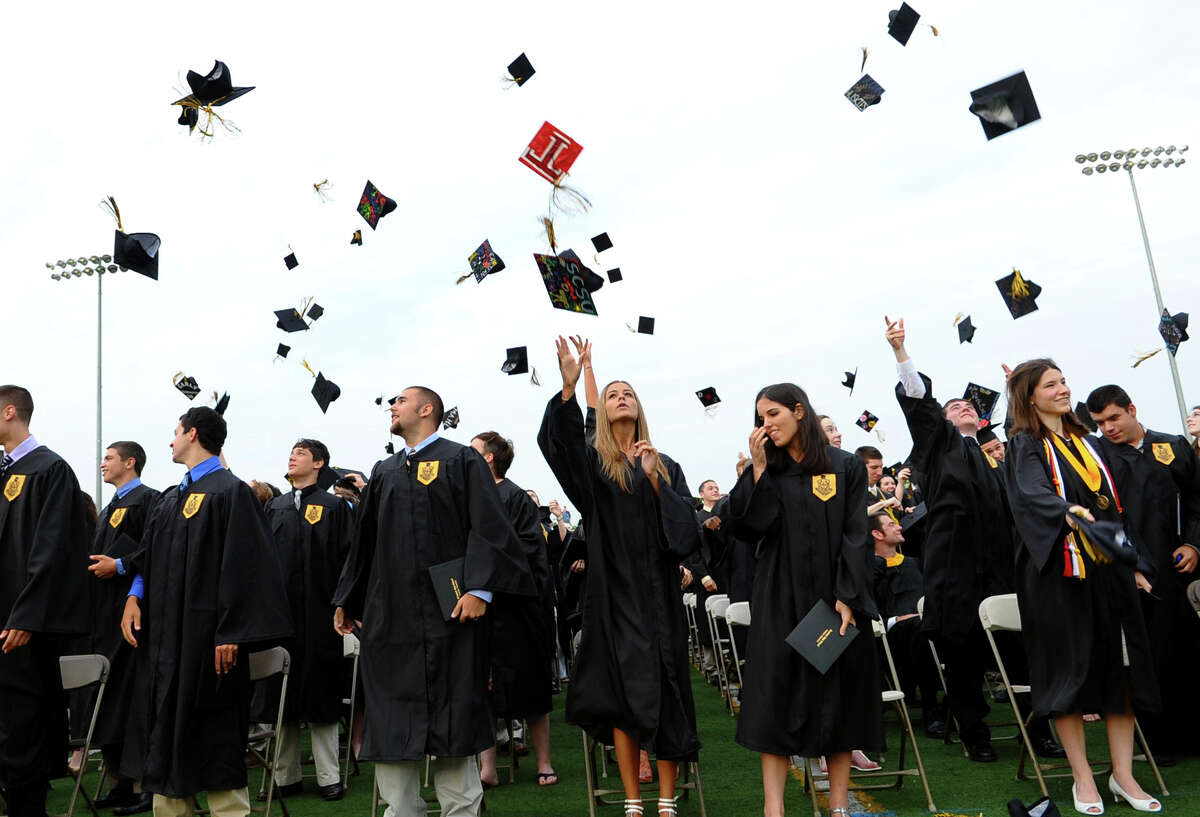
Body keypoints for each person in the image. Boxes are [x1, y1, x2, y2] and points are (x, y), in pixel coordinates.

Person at [333, 387, 535, 817]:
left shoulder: (461, 460)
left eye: (401, 401)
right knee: (392, 724)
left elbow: (490, 525)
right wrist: (346, 600)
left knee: (453, 718)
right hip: (391, 623)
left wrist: (480, 589)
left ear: (426, 410)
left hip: (452, 615)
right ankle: (401, 811)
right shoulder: (384, 471)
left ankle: (462, 809)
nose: (392, 406)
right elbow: (363, 544)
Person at [885, 317, 1062, 761]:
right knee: (963, 661)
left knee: (1021, 654)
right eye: (954, 407)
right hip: (956, 574)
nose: (963, 407)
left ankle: (1039, 732)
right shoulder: (941, 448)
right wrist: (902, 354)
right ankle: (975, 735)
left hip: (1001, 571)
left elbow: (1028, 439)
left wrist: (1017, 391)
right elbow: (922, 411)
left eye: (968, 405)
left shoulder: (996, 458)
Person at [538, 337, 701, 817]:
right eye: (611, 394)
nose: (620, 397)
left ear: (639, 406)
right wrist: (570, 388)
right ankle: (633, 798)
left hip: (659, 596)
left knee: (668, 687)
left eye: (627, 392)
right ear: (603, 412)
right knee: (624, 695)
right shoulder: (596, 467)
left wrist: (653, 479)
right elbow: (561, 446)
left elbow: (684, 534)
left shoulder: (665, 465)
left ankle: (667, 798)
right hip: (613, 596)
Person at [1005, 361, 1162, 814]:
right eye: (1050, 384)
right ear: (1030, 397)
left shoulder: (1089, 443)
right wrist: (1069, 512)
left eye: (1062, 381)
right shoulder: (1026, 445)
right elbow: (1032, 495)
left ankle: (1123, 775)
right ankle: (1082, 780)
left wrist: (1131, 559)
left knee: (1120, 672)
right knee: (1066, 676)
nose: (1062, 389)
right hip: (1061, 575)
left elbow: (1117, 507)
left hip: (1107, 573)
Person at [119, 407, 292, 817]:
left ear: (192, 434)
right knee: (168, 736)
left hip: (210, 646)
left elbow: (248, 567)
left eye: (175, 432)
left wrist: (231, 631)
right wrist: (133, 597)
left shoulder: (231, 492)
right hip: (165, 645)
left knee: (214, 739)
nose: (170, 441)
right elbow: (149, 557)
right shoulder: (170, 498)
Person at [726, 383, 882, 817]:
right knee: (774, 700)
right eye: (760, 418)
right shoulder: (768, 468)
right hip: (778, 598)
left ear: (799, 411)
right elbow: (749, 527)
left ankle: (837, 806)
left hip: (833, 601)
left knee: (836, 700)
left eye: (773, 414)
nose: (766, 424)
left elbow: (855, 535)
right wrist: (757, 470)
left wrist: (848, 595)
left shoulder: (843, 465)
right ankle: (773, 808)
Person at [1086, 385, 1200, 761]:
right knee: (1150, 657)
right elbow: (1102, 519)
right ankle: (1158, 743)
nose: (1109, 428)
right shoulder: (1098, 457)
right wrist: (1126, 564)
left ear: (1132, 409)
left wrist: (1194, 544)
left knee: (1187, 651)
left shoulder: (1173, 447)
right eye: (1101, 423)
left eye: (1115, 418)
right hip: (1133, 572)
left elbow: (1197, 500)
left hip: (1179, 566)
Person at [0, 385, 90, 817]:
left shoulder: (50, 470)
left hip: (22, 629)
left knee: (22, 730)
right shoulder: (4, 471)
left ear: (10, 412)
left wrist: (29, 615)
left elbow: (53, 549)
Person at [261, 439, 354, 801]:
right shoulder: (275, 507)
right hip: (281, 619)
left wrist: (343, 603)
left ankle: (329, 775)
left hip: (321, 616)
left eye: (300, 453)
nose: (292, 456)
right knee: (280, 695)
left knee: (322, 696)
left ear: (319, 463)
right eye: (291, 452)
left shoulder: (334, 507)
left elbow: (349, 560)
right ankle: (285, 776)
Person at [470, 431, 558, 788]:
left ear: (489, 457)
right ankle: (487, 768)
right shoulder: (469, 497)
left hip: (518, 611)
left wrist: (486, 571)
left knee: (533, 691)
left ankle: (544, 762)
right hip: (479, 612)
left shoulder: (515, 497)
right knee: (483, 691)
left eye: (473, 450)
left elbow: (528, 552)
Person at [82, 442, 161, 815]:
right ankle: (120, 782)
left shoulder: (149, 500)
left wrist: (122, 566)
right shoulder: (112, 505)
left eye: (109, 457)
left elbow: (154, 552)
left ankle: (147, 784)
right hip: (104, 616)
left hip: (134, 614)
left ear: (130, 463)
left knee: (134, 700)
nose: (103, 463)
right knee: (110, 699)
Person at [869, 512, 943, 736]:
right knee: (918, 628)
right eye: (892, 524)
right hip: (890, 638)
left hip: (926, 627)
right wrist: (895, 620)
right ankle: (931, 710)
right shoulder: (869, 570)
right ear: (877, 534)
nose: (899, 527)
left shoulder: (915, 563)